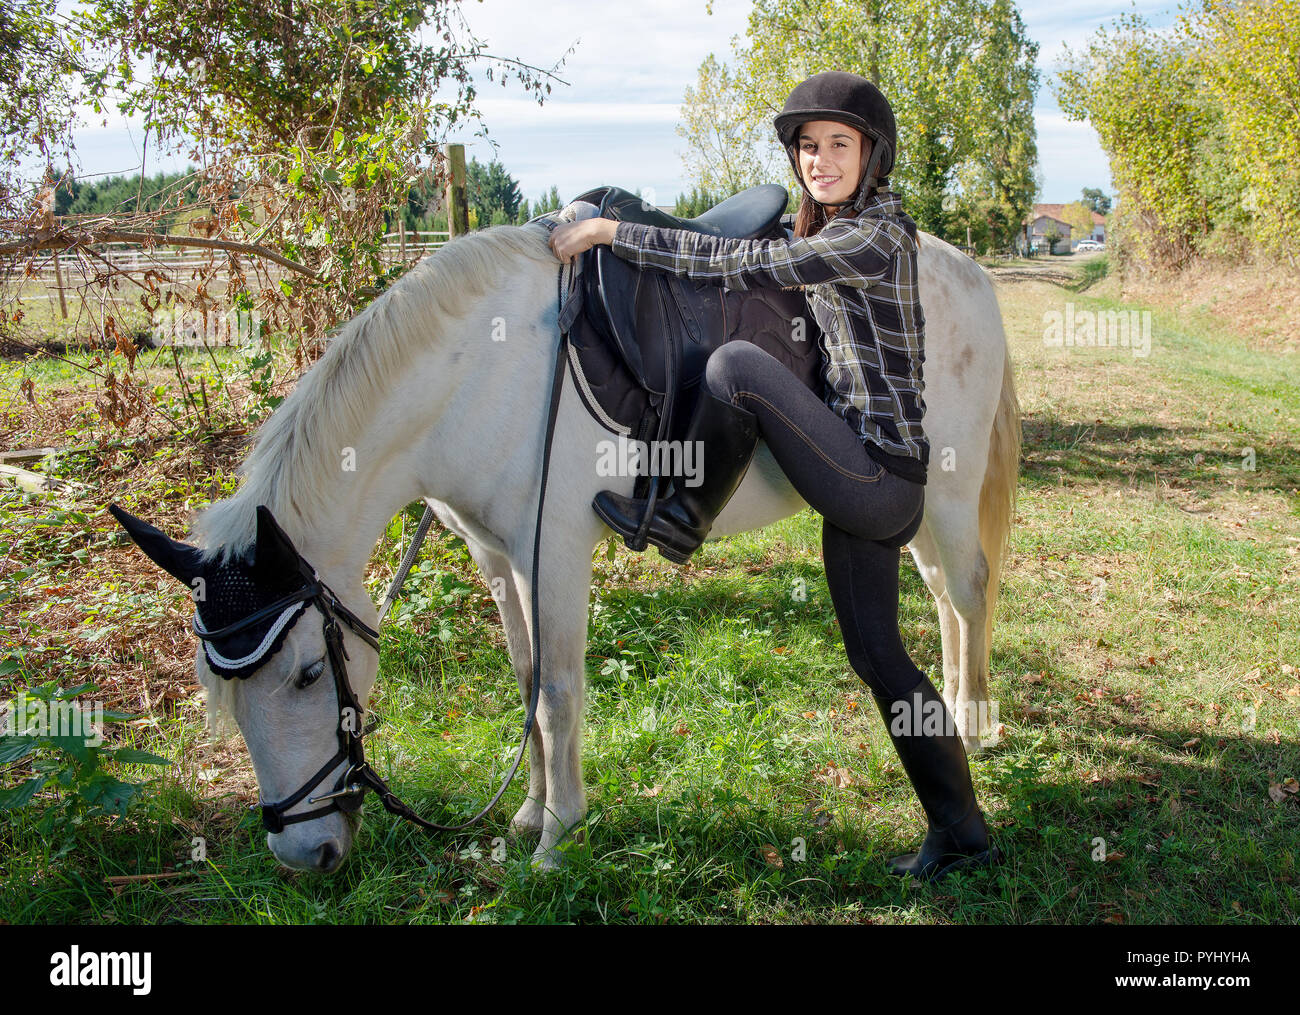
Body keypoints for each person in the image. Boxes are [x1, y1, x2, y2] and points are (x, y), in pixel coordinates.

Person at [549, 71, 998, 881]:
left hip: (881, 477)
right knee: (882, 661)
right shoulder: (830, 225)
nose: (819, 161)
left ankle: (680, 513)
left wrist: (613, 234)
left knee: (735, 368)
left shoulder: (876, 236)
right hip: (857, 479)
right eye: (807, 147)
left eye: (838, 145)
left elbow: (730, 260)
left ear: (872, 155)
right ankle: (961, 828)